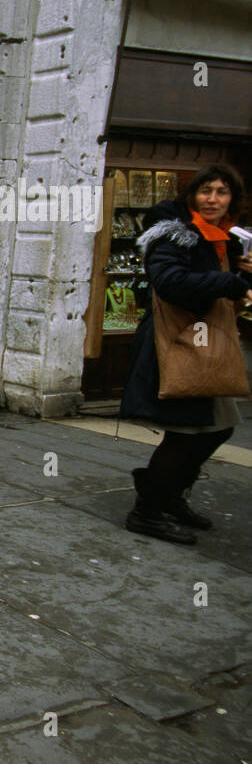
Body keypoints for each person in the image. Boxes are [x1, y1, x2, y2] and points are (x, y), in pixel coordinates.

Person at [121, 164, 252, 545]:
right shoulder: (176, 234)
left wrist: (244, 275)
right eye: (205, 191)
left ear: (232, 198)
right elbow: (169, 282)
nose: (212, 199)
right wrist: (231, 282)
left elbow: (227, 287)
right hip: (180, 343)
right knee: (184, 433)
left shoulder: (223, 239)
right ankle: (147, 511)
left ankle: (168, 496)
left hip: (210, 343)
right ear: (191, 194)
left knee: (218, 427)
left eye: (222, 192)